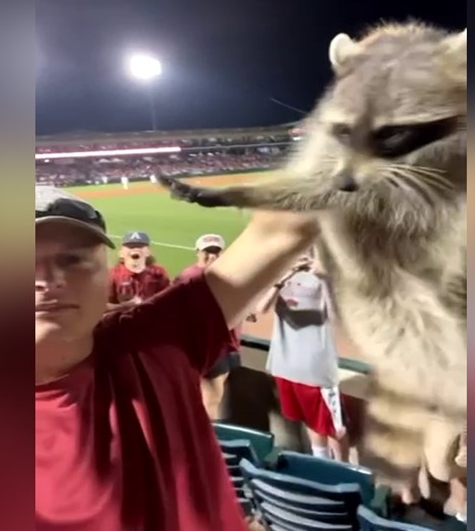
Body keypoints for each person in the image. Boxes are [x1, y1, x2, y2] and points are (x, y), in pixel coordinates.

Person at [35, 186, 317, 530]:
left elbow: (288, 226)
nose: (48, 281)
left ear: (103, 272)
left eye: (73, 259)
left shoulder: (154, 341)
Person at [255, 248, 349, 461]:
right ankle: (320, 465)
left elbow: (335, 318)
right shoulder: (281, 272)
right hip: (285, 365)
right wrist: (284, 277)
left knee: (335, 428)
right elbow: (261, 308)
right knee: (309, 421)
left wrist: (324, 280)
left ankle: (344, 471)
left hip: (316, 368)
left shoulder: (328, 274)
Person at [176, 234, 239, 420]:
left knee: (214, 397)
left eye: (216, 252)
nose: (212, 256)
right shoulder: (189, 277)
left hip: (226, 345)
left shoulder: (228, 275)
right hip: (206, 347)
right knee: (210, 400)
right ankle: (206, 438)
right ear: (198, 253)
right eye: (207, 252)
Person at [106, 231, 170, 311]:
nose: (136, 250)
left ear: (148, 252)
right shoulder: (112, 275)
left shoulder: (159, 273)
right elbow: (102, 307)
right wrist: (124, 306)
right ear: (121, 253)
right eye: (131, 247)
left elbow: (169, 302)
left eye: (140, 247)